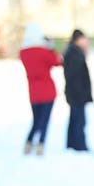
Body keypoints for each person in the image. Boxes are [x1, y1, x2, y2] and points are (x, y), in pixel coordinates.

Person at [19, 23, 61, 156]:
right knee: (45, 120)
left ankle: (28, 143)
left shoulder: (23, 52)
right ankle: (40, 145)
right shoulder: (44, 51)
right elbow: (57, 62)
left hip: (33, 92)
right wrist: (50, 47)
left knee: (36, 119)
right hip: (48, 91)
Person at [63, 29, 92, 151]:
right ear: (78, 39)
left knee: (76, 120)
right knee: (79, 121)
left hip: (75, 93)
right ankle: (79, 146)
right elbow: (75, 76)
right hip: (77, 94)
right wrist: (81, 93)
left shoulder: (74, 51)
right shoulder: (74, 53)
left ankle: (73, 145)